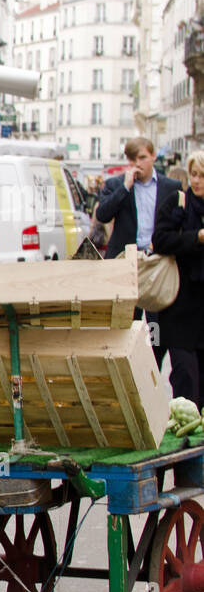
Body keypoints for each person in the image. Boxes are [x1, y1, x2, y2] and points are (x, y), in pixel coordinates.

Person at [151, 151, 204, 403]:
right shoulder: (177, 203)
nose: (196, 181)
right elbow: (160, 240)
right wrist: (196, 238)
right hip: (179, 304)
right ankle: (185, 434)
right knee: (184, 375)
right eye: (194, 174)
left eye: (202, 176)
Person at [95, 137, 180, 259]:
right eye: (133, 159)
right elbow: (102, 215)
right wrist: (124, 188)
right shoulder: (116, 184)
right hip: (124, 256)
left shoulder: (170, 187)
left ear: (153, 156)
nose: (138, 164)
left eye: (142, 158)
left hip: (159, 257)